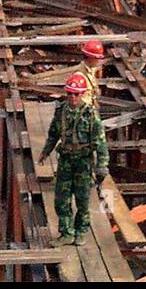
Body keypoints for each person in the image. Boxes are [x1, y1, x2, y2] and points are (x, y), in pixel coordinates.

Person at [41, 72, 109, 247]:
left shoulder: (90, 114)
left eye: (76, 94)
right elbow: (53, 134)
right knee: (61, 198)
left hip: (83, 162)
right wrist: (45, 152)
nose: (72, 97)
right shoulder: (61, 111)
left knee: (82, 199)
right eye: (70, 93)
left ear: (82, 94)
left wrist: (102, 165)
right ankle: (66, 232)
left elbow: (100, 141)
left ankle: (81, 231)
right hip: (65, 160)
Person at [78, 39, 105, 107]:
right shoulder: (80, 76)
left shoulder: (91, 70)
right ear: (90, 58)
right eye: (97, 58)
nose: (99, 60)